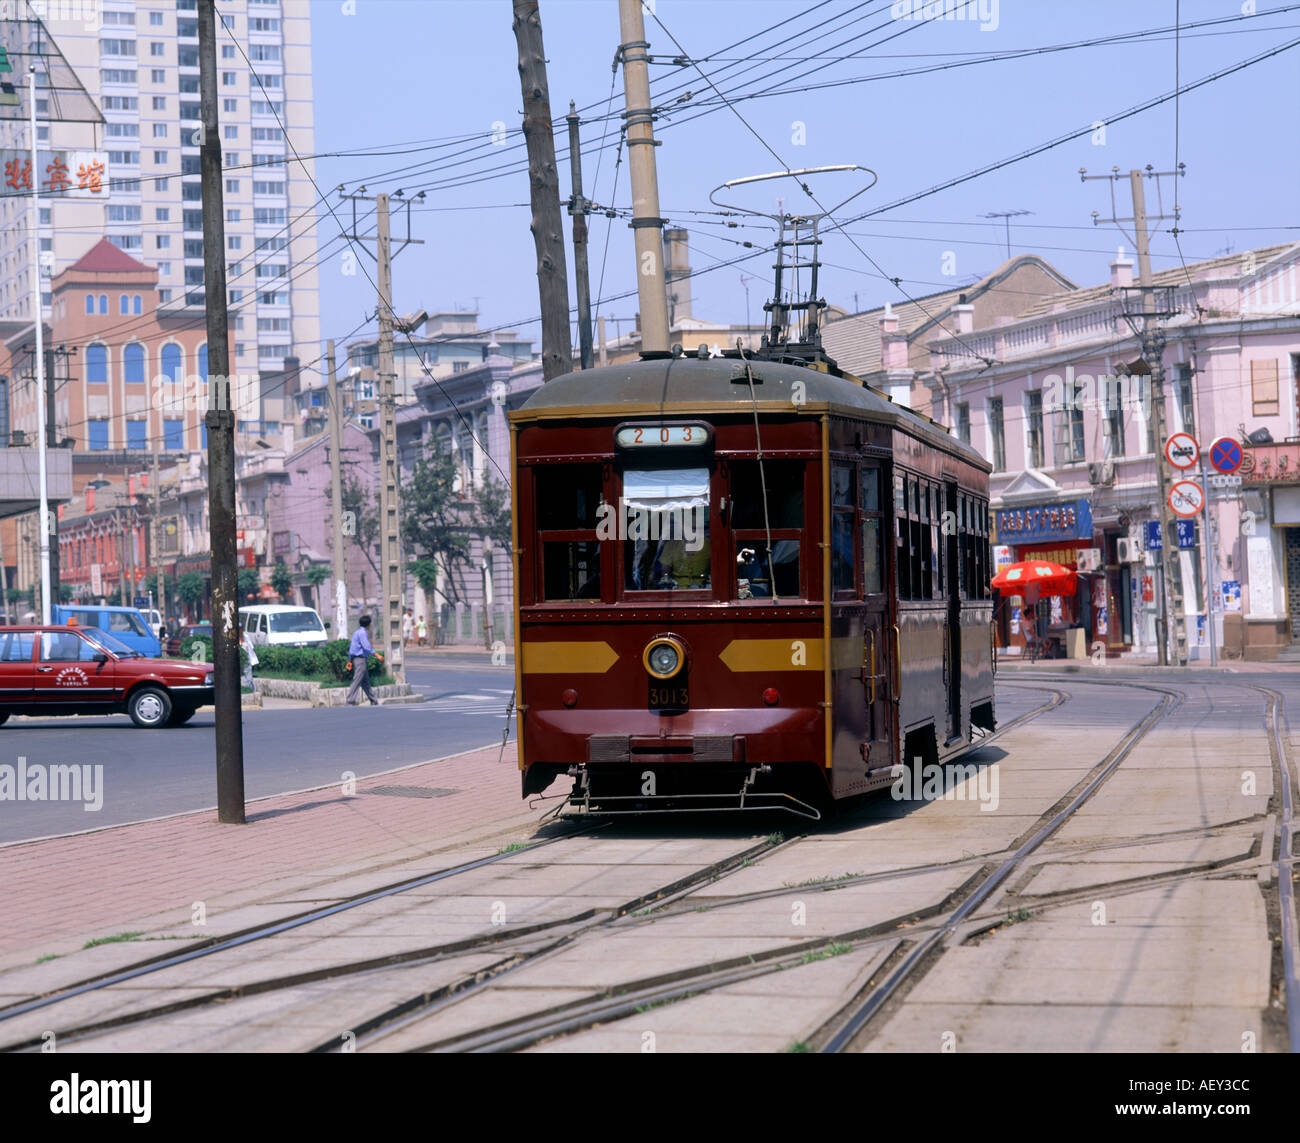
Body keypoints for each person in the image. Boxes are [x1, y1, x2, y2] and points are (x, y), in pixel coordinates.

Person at [346, 615, 380, 706]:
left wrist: (350, 660)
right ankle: (350, 700)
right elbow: (366, 646)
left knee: (365, 682)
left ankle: (373, 700)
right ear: (368, 625)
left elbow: (352, 648)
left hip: (356, 659)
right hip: (360, 659)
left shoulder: (356, 632)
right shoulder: (362, 633)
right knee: (357, 680)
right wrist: (376, 654)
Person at [239, 624, 258, 691]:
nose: (240, 630)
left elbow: (251, 649)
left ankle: (250, 691)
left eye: (241, 628)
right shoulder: (233, 637)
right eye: (239, 629)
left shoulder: (246, 636)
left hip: (246, 660)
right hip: (238, 661)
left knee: (249, 678)